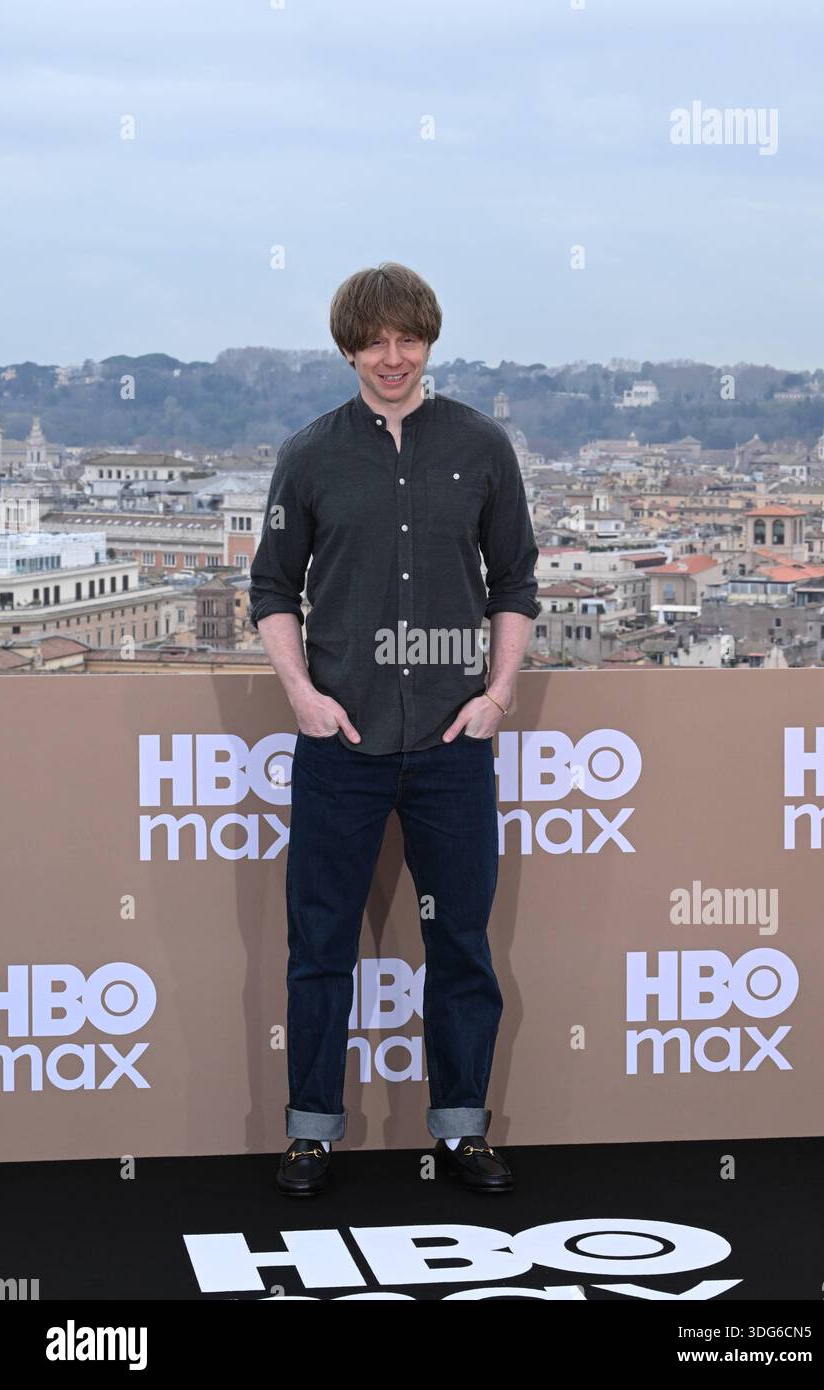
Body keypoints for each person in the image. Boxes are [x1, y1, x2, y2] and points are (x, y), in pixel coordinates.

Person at [249, 262, 540, 1196]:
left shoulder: (484, 446)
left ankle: (461, 1128)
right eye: (372, 340)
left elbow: (516, 585)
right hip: (341, 744)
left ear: (430, 341)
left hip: (456, 746)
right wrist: (299, 691)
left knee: (461, 946)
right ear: (347, 348)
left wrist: (497, 696)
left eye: (407, 338)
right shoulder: (309, 455)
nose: (391, 356)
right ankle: (308, 1133)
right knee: (320, 944)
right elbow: (269, 590)